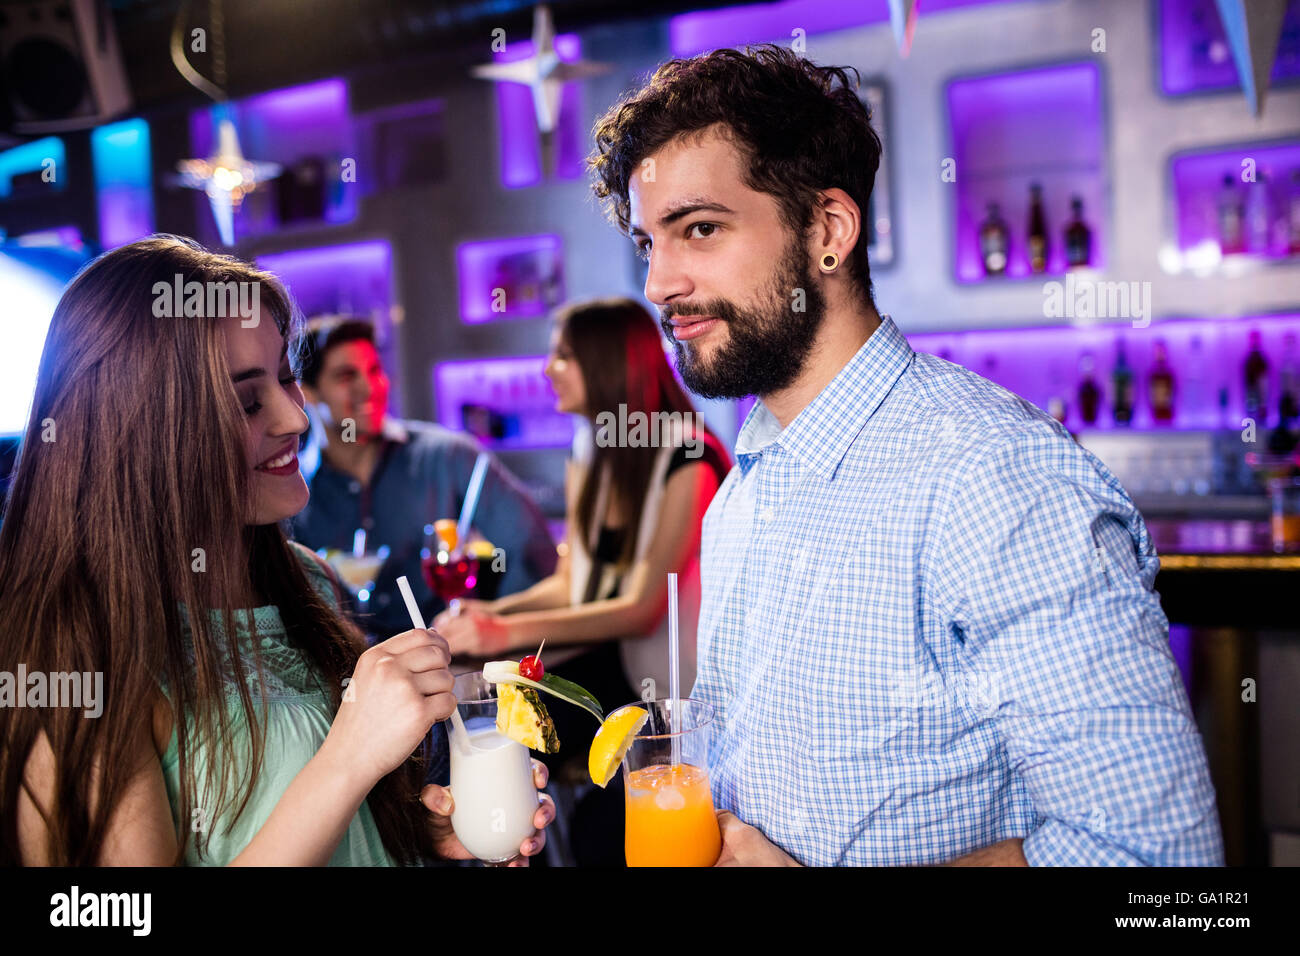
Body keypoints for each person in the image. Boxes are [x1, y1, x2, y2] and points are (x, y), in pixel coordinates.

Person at [588, 46, 1224, 866]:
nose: (659, 283)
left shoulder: (994, 478)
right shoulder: (745, 489)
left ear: (828, 231)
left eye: (699, 229)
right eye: (649, 242)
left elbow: (1155, 862)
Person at [0, 235, 553, 866]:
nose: (295, 418)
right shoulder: (79, 661)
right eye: (246, 402)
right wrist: (351, 756)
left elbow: (320, 827)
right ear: (144, 436)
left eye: (287, 377)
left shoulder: (307, 582)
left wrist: (423, 830)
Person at [435, 297, 730, 866]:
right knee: (467, 693)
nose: (547, 369)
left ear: (608, 364)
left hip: (658, 687)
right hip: (609, 660)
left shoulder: (689, 456)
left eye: (563, 354)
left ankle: (523, 836)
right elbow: (573, 584)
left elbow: (641, 609)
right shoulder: (591, 448)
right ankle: (500, 835)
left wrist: (501, 632)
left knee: (506, 716)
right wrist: (486, 622)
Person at [291, 317, 557, 642]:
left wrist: (499, 637)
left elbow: (531, 549)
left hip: (450, 664)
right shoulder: (292, 490)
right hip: (351, 679)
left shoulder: (447, 455)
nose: (369, 387)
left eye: (375, 370)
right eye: (347, 376)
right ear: (308, 393)